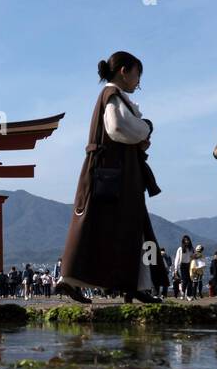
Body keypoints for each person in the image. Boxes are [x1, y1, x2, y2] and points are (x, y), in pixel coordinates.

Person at [57, 51, 168, 304]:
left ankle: (132, 284)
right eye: (138, 73)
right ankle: (132, 285)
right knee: (119, 224)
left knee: (102, 225)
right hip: (113, 173)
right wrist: (146, 128)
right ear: (124, 71)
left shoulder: (112, 96)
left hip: (111, 171)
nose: (138, 81)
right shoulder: (112, 95)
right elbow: (118, 128)